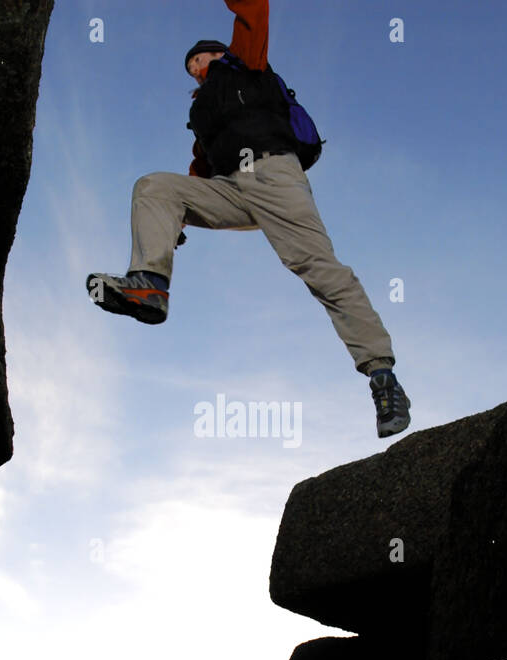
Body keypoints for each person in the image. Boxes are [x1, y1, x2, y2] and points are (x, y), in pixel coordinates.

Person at [86, 0, 411, 438]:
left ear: (216, 53)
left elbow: (254, 9)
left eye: (197, 60)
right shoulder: (202, 113)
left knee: (318, 268)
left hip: (274, 175)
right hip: (231, 189)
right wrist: (175, 221)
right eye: (190, 67)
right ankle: (149, 286)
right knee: (155, 187)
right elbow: (198, 172)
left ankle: (382, 376)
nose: (194, 68)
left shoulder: (246, 62)